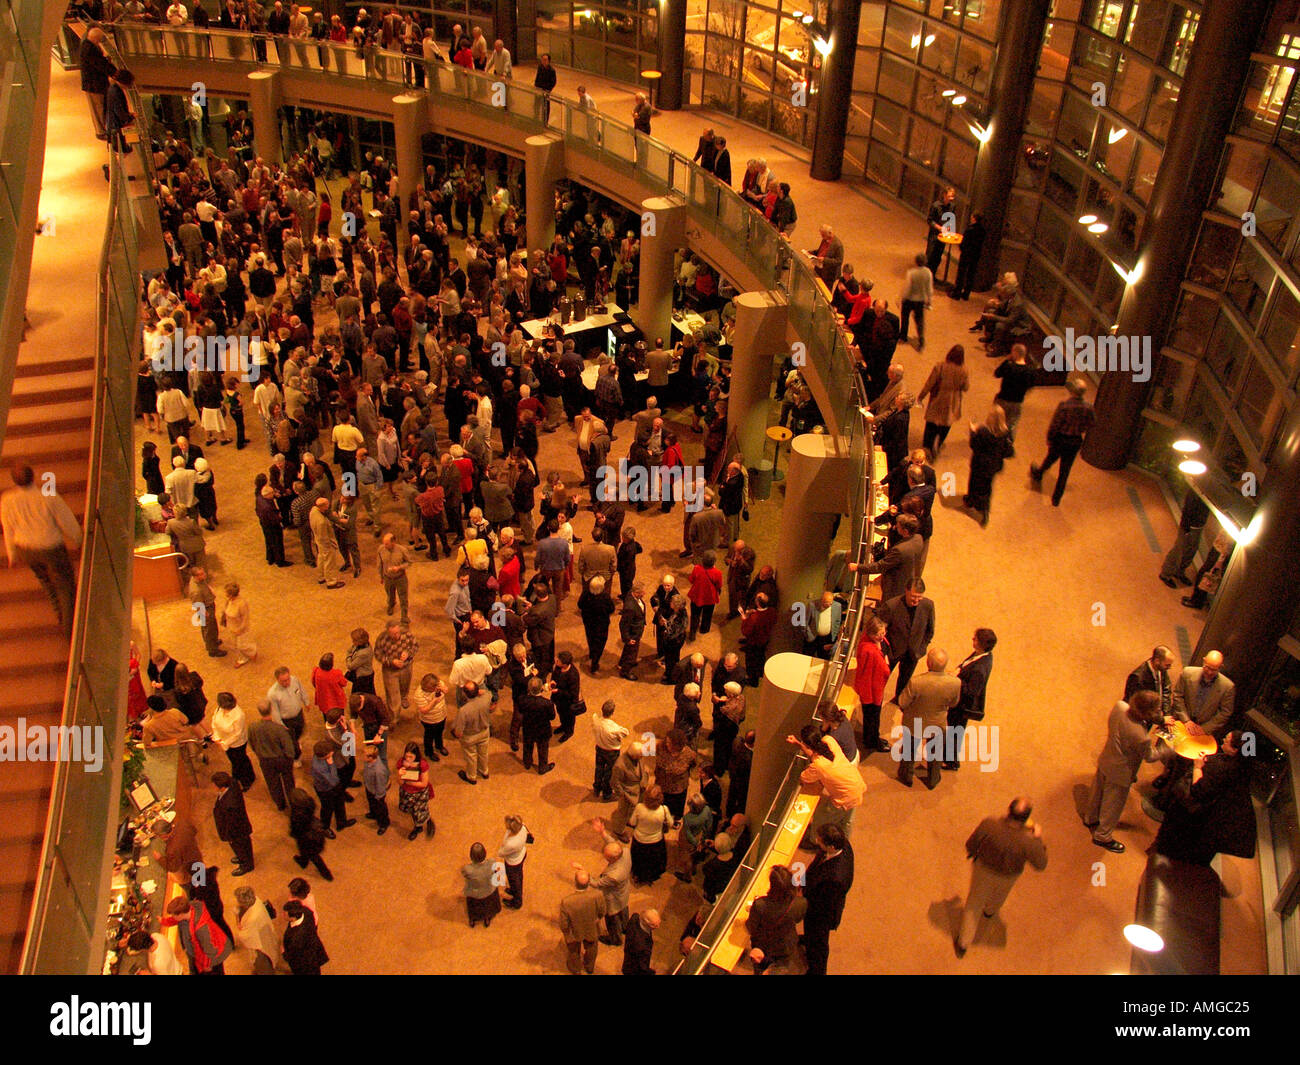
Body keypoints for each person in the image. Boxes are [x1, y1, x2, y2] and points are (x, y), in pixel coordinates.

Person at [955, 798, 1048, 957]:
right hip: (1009, 875)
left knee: (974, 904)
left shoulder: (989, 825)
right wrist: (1038, 838)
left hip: (984, 870)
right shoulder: (1029, 842)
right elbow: (1041, 864)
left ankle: (963, 943)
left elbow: (970, 844)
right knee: (1000, 894)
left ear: (1009, 811)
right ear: (1026, 819)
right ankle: (990, 911)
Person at [1, 464, 83, 637]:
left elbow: (8, 529)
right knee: (65, 586)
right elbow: (66, 522)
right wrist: (78, 539)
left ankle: (60, 616)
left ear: (14, 481)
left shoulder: (7, 500)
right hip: (51, 548)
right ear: (33, 476)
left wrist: (12, 555)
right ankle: (70, 632)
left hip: (26, 550)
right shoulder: (47, 497)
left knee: (47, 583)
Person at [1084, 690, 1166, 853]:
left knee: (1097, 792)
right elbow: (1150, 756)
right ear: (1147, 712)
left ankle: (1090, 818)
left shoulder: (1120, 707)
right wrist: (1166, 749)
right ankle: (1102, 835)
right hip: (1121, 771)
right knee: (1113, 806)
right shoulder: (1142, 736)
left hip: (1107, 759)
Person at [896, 648, 962, 789]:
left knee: (909, 751)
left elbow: (902, 702)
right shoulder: (955, 683)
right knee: (935, 752)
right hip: (937, 723)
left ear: (928, 663)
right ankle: (933, 778)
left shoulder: (916, 682)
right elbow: (953, 703)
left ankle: (906, 777)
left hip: (914, 723)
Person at [1030, 377, 1094, 507]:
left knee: (1050, 458)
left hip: (1061, 438)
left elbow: (1055, 424)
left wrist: (1049, 437)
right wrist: (1081, 429)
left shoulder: (1064, 406)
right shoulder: (1088, 408)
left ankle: (1039, 473)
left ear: (1073, 392)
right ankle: (1056, 499)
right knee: (1065, 470)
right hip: (1075, 441)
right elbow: (1092, 423)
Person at [788, 725, 864, 835]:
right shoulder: (829, 741)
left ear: (807, 744)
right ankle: (843, 840)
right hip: (855, 784)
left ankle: (814, 840)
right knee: (847, 820)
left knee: (821, 818)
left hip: (845, 796)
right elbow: (816, 755)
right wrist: (798, 744)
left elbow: (804, 777)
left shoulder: (818, 766)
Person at [802, 823, 854, 976]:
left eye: (820, 840)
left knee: (818, 944)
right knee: (811, 936)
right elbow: (818, 864)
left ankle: (816, 971)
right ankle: (807, 939)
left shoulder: (835, 879)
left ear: (831, 847)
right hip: (818, 900)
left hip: (821, 914)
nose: (817, 840)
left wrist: (802, 895)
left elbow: (822, 902)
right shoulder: (843, 844)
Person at [944, 628, 997, 770]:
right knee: (953, 728)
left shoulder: (980, 668)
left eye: (975, 639)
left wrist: (956, 679)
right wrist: (959, 670)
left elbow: (971, 691)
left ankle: (951, 762)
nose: (972, 640)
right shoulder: (980, 655)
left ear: (981, 644)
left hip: (963, 705)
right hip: (959, 702)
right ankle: (948, 755)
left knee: (956, 730)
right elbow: (966, 664)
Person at [746, 865, 807, 974]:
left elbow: (751, 927)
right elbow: (797, 919)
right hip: (787, 944)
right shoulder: (800, 903)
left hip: (764, 946)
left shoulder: (760, 905)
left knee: (761, 968)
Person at [915, 344, 969, 458]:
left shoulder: (940, 367)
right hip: (953, 401)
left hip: (938, 398)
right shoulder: (964, 371)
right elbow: (965, 387)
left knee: (931, 424)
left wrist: (921, 396)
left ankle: (927, 447)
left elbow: (929, 383)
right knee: (945, 425)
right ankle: (938, 444)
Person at [1171, 650, 1236, 738]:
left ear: (1220, 667)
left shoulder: (1228, 687)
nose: (1209, 672)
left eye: (1213, 670)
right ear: (1203, 661)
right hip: (1180, 721)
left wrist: (1204, 729)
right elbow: (1178, 696)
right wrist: (1186, 720)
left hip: (1202, 731)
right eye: (1207, 667)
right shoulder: (1187, 673)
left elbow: (1225, 713)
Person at [963, 406, 1011, 526]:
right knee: (987, 487)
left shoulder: (984, 432)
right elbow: (1008, 451)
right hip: (993, 466)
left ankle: (970, 500)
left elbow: (974, 445)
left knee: (974, 483)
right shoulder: (1005, 433)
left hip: (979, 464)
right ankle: (985, 509)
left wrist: (972, 431)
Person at [166, 895, 232, 975]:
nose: (172, 917)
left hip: (210, 960)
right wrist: (164, 921)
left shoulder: (201, 928)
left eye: (173, 915)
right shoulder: (191, 909)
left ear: (180, 914)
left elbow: (209, 948)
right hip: (198, 955)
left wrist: (207, 965)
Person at [1160, 491, 1211, 589]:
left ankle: (1179, 571)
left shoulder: (1205, 491)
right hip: (1189, 526)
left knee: (1191, 550)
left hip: (1198, 525)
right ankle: (1166, 573)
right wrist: (1186, 527)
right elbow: (1188, 510)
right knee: (1179, 550)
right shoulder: (1196, 492)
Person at [560, 868, 607, 974]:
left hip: (574, 931)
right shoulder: (598, 895)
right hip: (592, 929)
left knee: (573, 951)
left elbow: (564, 923)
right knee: (592, 949)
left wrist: (567, 933)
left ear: (575, 882)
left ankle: (575, 969)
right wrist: (596, 919)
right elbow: (603, 911)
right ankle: (589, 967)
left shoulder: (567, 902)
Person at [628, 785, 673, 885]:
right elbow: (670, 823)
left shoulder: (639, 807)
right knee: (653, 861)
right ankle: (653, 876)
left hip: (640, 839)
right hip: (656, 840)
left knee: (640, 860)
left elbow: (632, 822)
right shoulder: (663, 809)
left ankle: (639, 876)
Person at [211, 693, 256, 790]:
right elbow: (214, 722)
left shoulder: (238, 715)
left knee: (240, 761)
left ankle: (247, 780)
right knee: (234, 761)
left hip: (237, 744)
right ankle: (238, 777)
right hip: (224, 742)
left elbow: (237, 734)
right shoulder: (219, 709)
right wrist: (216, 737)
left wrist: (224, 743)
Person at [451, 680, 493, 784]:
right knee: (483, 753)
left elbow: (459, 732)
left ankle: (471, 776)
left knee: (471, 756)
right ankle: (484, 771)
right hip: (484, 732)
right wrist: (478, 691)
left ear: (464, 694)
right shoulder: (486, 698)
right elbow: (488, 693)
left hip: (470, 736)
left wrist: (458, 736)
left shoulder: (464, 710)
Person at [288, 788, 333, 881]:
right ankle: (305, 862)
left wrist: (293, 833)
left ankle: (325, 873)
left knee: (313, 855)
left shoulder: (297, 814)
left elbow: (297, 828)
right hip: (315, 835)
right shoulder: (310, 804)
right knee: (310, 853)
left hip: (306, 838)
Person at [517, 675, 557, 774]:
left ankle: (527, 762)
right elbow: (552, 717)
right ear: (541, 688)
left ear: (529, 689)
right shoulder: (547, 703)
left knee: (527, 746)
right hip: (542, 730)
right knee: (543, 749)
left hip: (528, 727)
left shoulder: (522, 700)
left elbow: (521, 711)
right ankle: (542, 767)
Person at [396, 740, 435, 839]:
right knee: (411, 810)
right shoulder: (401, 763)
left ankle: (419, 826)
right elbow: (400, 782)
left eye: (411, 757)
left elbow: (424, 783)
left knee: (419, 811)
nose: (408, 759)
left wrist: (409, 783)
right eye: (406, 756)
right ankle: (419, 823)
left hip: (419, 792)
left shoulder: (422, 765)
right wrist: (399, 775)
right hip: (406, 791)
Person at [281, 900, 329, 975]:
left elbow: (293, 956)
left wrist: (284, 952)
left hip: (304, 964)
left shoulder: (295, 938)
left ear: (293, 918)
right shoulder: (307, 912)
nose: (282, 915)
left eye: (285, 914)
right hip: (313, 952)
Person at [1124, 645, 1175, 716]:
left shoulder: (1161, 668)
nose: (1169, 667)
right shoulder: (1138, 677)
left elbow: (1166, 689)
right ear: (1157, 661)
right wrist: (1162, 720)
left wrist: (1167, 714)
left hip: (1151, 712)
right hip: (1137, 717)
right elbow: (1138, 707)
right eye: (1167, 665)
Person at [462, 842, 503, 928]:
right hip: (489, 891)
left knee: (473, 905)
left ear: (471, 856)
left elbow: (465, 875)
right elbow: (497, 872)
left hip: (475, 894)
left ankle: (473, 919)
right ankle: (487, 918)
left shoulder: (468, 869)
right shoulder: (492, 862)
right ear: (485, 853)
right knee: (488, 904)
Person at [899, 253, 934, 351]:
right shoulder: (928, 273)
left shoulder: (911, 272)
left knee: (905, 317)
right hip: (920, 300)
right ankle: (921, 337)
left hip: (909, 299)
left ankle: (903, 335)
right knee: (919, 320)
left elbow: (907, 287)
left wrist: (902, 298)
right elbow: (929, 289)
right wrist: (929, 301)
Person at [499, 814, 530, 908]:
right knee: (519, 875)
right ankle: (514, 890)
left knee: (514, 880)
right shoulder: (523, 827)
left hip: (513, 863)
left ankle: (517, 902)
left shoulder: (511, 843)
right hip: (521, 855)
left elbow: (501, 853)